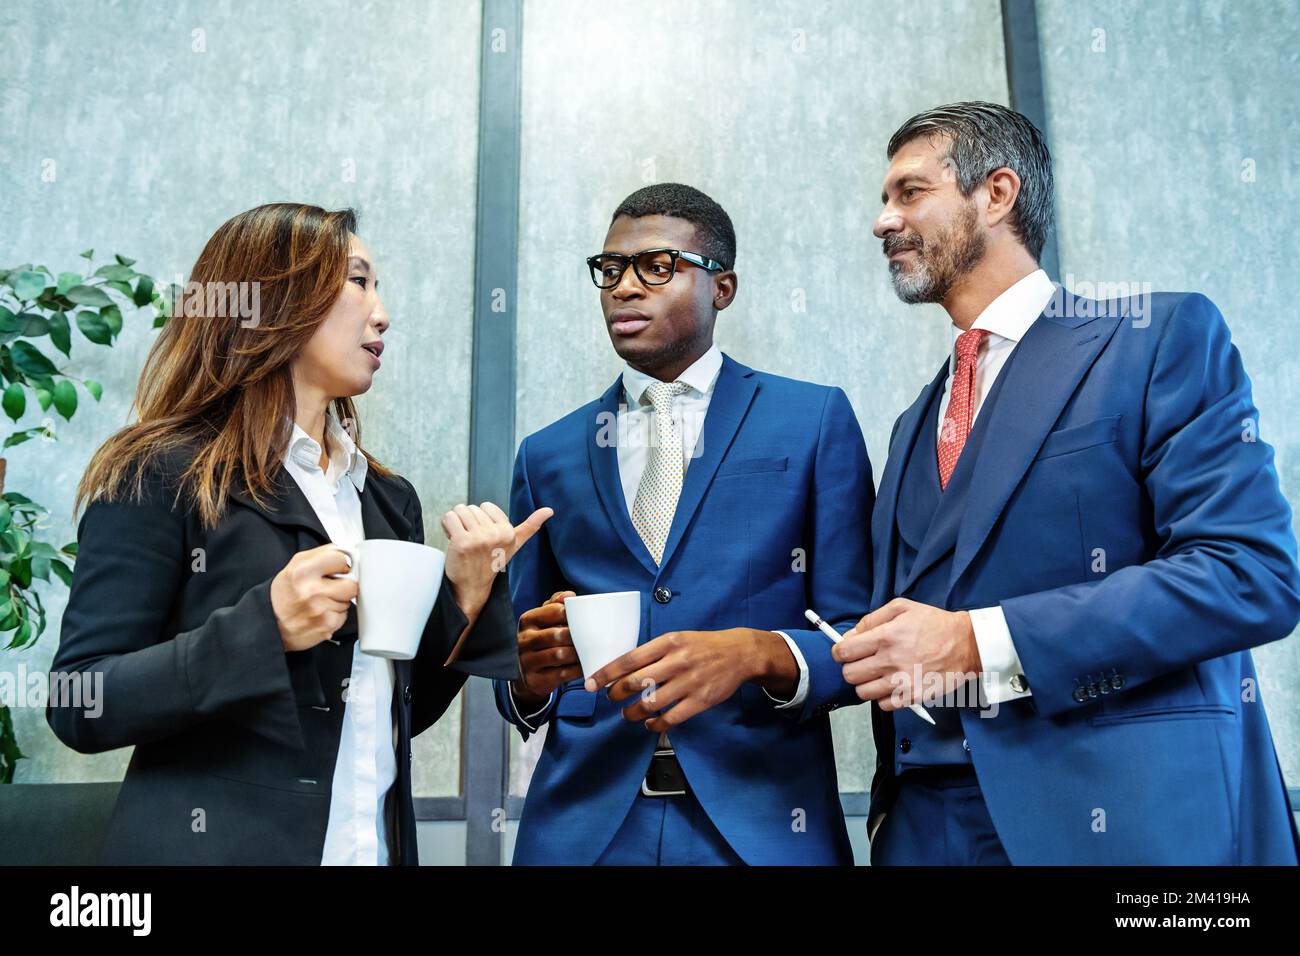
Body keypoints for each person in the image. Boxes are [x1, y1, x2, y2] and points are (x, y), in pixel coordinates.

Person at [836, 101, 1300, 864]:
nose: (883, 221)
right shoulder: (914, 423)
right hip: (925, 831)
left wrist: (977, 641)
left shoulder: (1157, 338)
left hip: (1120, 824)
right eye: (884, 200)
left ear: (997, 193)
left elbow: (1249, 576)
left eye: (910, 192)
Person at [47, 202, 547, 864]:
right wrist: (264, 627)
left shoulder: (388, 500)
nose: (383, 313)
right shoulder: (160, 471)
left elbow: (385, 720)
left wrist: (465, 595)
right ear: (273, 299)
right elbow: (78, 700)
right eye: (360, 281)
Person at [497, 183, 873, 865]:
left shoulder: (813, 421)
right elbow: (521, 663)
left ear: (721, 287)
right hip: (584, 832)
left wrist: (760, 652)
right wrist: (524, 677)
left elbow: (858, 634)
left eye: (657, 266)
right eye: (610, 269)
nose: (625, 288)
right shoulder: (545, 453)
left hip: (763, 827)